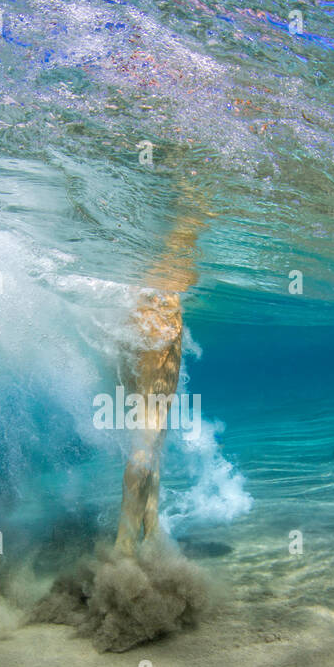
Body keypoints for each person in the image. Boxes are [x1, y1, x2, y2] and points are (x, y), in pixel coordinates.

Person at [113, 193, 207, 555]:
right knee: (150, 435)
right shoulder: (171, 268)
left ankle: (149, 527)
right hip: (160, 313)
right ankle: (124, 545)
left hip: (124, 317)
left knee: (145, 434)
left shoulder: (127, 259)